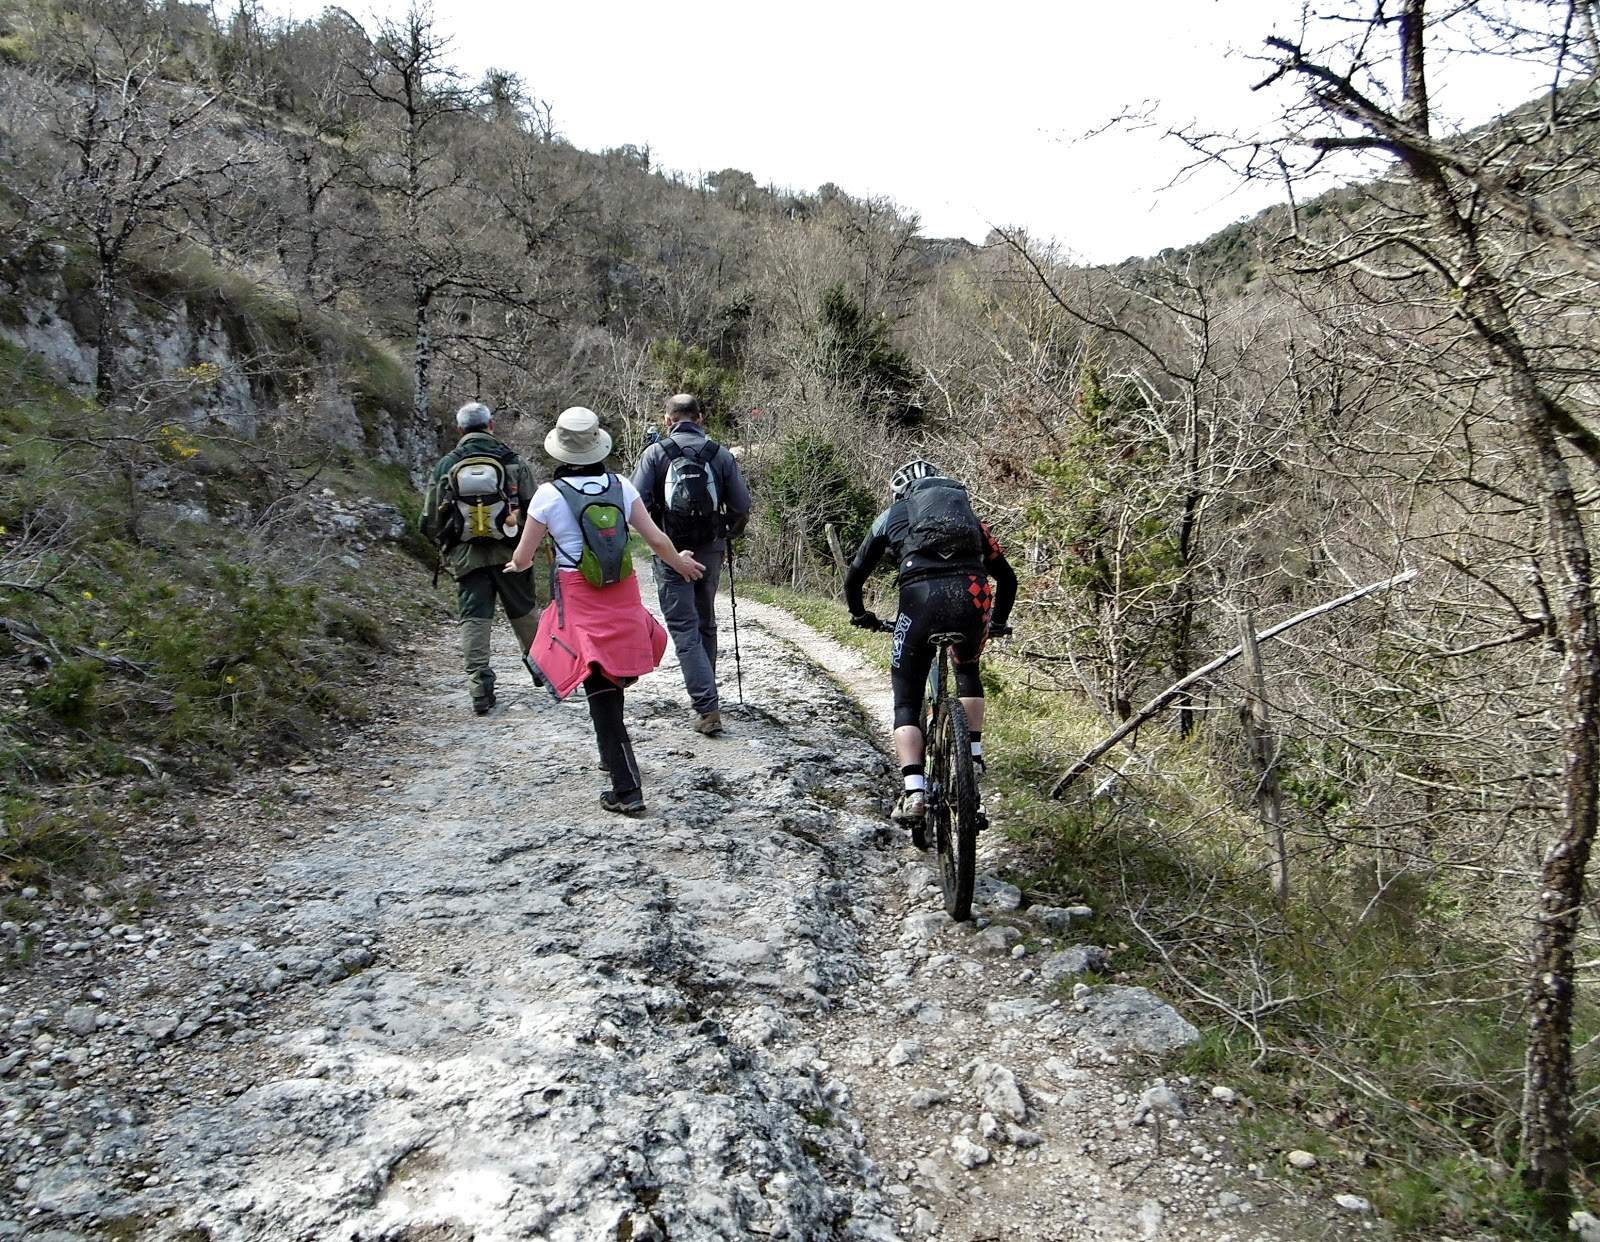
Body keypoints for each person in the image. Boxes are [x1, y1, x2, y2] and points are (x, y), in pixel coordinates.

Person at [504, 406, 705, 815]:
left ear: (561, 451)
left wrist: (516, 566)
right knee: (609, 678)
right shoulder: (620, 486)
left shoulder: (547, 495)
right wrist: (681, 563)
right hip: (622, 593)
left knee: (600, 688)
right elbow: (656, 539)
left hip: (580, 596)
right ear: (598, 444)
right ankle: (607, 754)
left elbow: (524, 557)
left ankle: (627, 788)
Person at [843, 459, 1017, 825]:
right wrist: (997, 622)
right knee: (967, 667)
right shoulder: (969, 519)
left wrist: (861, 615)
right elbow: (1007, 578)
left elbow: (855, 576)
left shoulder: (892, 516)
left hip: (920, 599)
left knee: (906, 699)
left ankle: (915, 792)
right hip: (974, 594)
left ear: (901, 493)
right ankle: (972, 756)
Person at [630, 393, 751, 737]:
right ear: (700, 418)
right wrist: (726, 535)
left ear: (668, 421)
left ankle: (706, 706)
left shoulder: (655, 454)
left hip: (670, 550)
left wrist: (660, 539)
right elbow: (742, 505)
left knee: (684, 627)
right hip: (710, 550)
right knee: (705, 622)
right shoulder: (721, 454)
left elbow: (637, 504)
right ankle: (708, 692)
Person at [419, 401, 544, 716]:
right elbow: (535, 510)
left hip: (466, 556)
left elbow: (428, 522)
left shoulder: (446, 465)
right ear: (491, 426)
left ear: (460, 430)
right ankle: (543, 671)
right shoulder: (513, 461)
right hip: (512, 552)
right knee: (524, 611)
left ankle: (480, 689)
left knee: (475, 618)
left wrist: (449, 541)